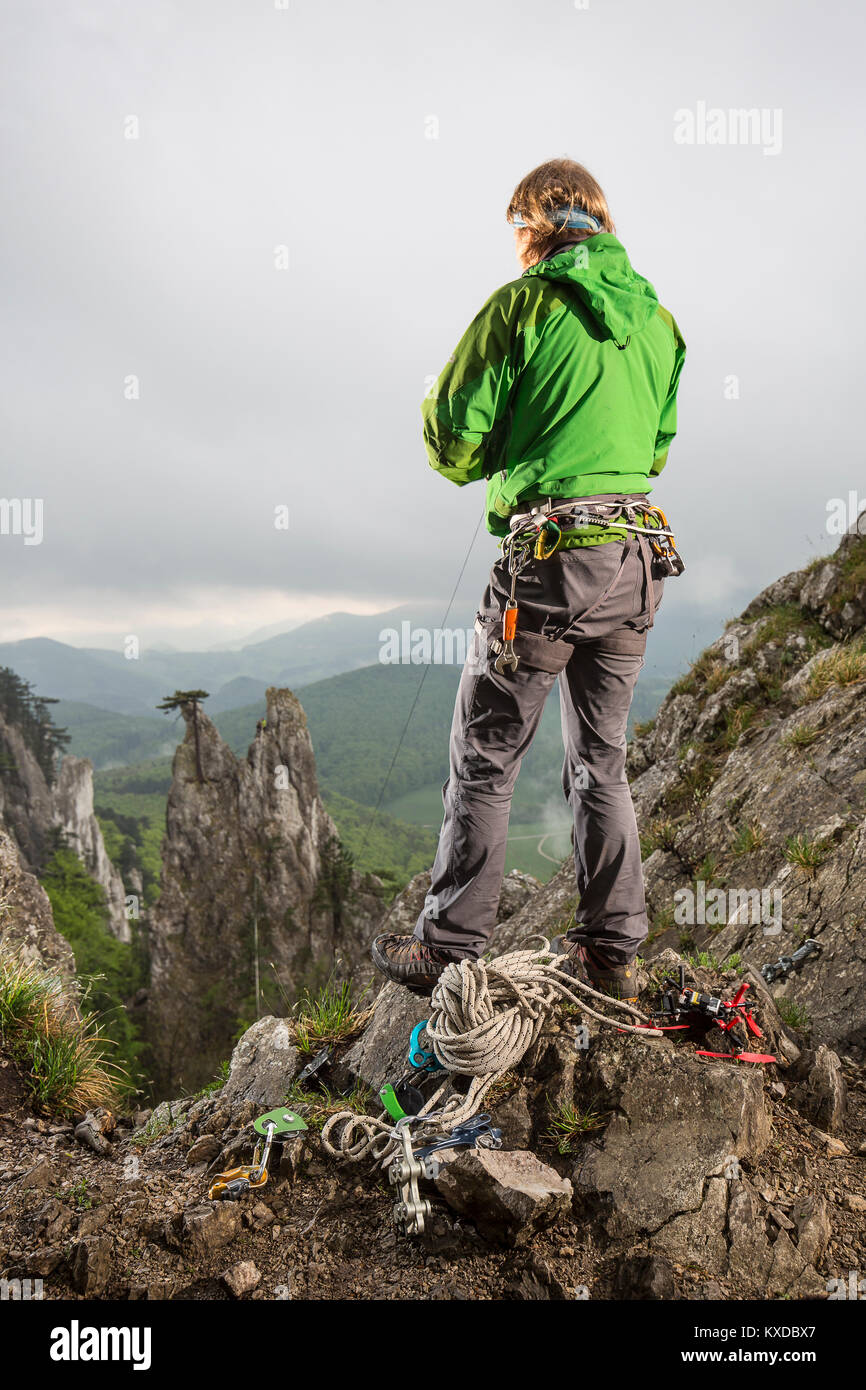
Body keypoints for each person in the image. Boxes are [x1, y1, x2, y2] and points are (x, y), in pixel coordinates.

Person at [372, 158, 686, 1002]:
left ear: (536, 224)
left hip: (548, 567)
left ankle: (448, 948)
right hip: (636, 561)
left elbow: (451, 439)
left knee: (485, 759)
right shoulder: (658, 320)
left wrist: (510, 446)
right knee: (603, 763)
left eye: (516, 229)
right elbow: (655, 447)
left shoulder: (520, 307)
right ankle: (612, 952)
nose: (513, 245)